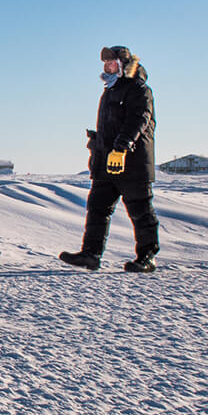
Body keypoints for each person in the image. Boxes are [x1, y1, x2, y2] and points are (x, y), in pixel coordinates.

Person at [59, 45, 158, 272]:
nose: (106, 67)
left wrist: (122, 147)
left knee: (140, 210)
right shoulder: (110, 91)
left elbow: (139, 120)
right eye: (105, 63)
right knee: (97, 207)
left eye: (111, 63)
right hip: (107, 163)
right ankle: (91, 254)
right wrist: (97, 144)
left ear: (123, 64)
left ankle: (147, 257)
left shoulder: (139, 89)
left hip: (132, 163)